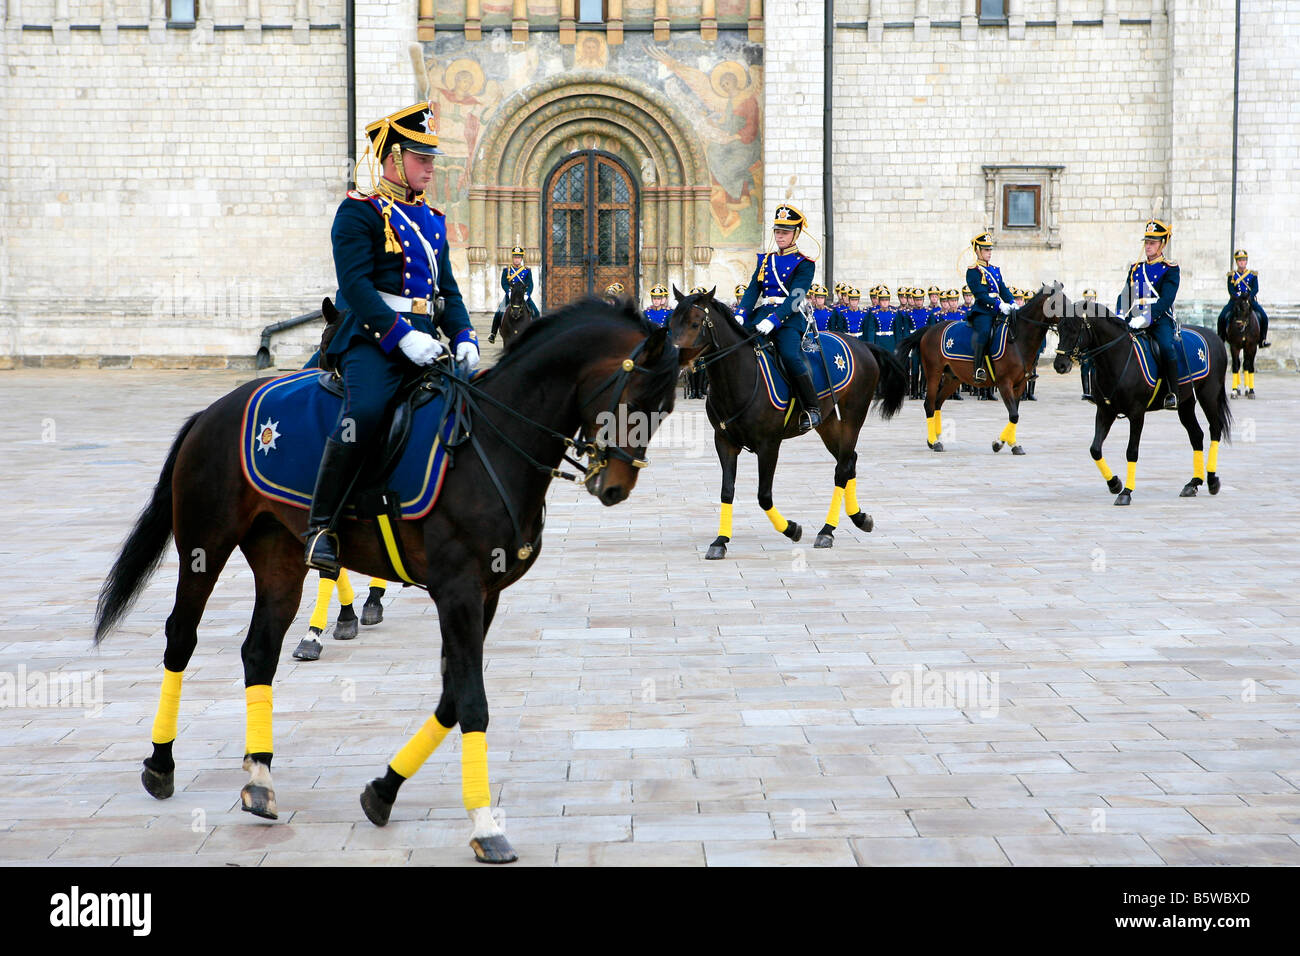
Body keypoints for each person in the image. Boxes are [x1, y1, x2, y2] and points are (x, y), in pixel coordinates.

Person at [305, 101, 480, 573]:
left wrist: (464, 335)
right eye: (421, 158)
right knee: (362, 413)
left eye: (431, 159)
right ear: (393, 158)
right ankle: (322, 526)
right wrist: (400, 336)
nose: (429, 167)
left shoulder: (432, 219)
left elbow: (448, 290)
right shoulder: (358, 212)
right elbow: (356, 287)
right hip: (371, 340)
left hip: (429, 339)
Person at [736, 203, 822, 432]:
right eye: (777, 231)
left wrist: (774, 320)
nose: (780, 236)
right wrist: (741, 314)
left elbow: (795, 299)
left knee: (790, 355)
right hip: (761, 314)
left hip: (788, 318)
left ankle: (811, 408)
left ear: (796, 233)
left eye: (785, 232)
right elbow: (753, 289)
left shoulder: (804, 264)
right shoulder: (766, 260)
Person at [1119, 219, 1180, 410]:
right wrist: (1120, 314)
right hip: (1134, 315)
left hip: (1158, 318)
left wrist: (1147, 317)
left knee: (1165, 347)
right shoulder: (1136, 268)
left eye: (1152, 243)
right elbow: (1126, 294)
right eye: (1146, 242)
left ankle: (1172, 392)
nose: (1148, 246)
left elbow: (1166, 300)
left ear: (1162, 245)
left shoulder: (1170, 269)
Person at [964, 233, 1013, 387]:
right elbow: (980, 294)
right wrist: (999, 305)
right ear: (978, 251)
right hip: (983, 310)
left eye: (990, 250)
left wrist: (1012, 302)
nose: (989, 253)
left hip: (999, 309)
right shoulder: (973, 271)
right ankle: (978, 368)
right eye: (986, 250)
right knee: (984, 332)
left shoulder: (995, 269)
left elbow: (1003, 289)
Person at [1217, 249, 1269, 347]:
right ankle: (1221, 338)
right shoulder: (1232, 275)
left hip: (1249, 300)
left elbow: (1255, 288)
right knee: (1222, 317)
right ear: (1237, 262)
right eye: (1239, 260)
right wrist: (1238, 297)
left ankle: (1262, 339)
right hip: (1236, 301)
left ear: (1246, 261)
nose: (1242, 262)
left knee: (1264, 317)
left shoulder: (1252, 275)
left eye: (1244, 260)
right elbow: (1231, 289)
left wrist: (1249, 297)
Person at [488, 246, 539, 343]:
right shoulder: (506, 270)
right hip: (510, 296)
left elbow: (531, 284)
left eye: (519, 257)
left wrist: (527, 294)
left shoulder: (527, 271)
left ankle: (538, 333)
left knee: (536, 312)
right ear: (513, 258)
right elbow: (504, 283)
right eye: (515, 257)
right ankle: (493, 334)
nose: (517, 259)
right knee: (499, 312)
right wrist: (509, 292)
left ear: (521, 258)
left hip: (523, 296)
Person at [1079, 288, 1098, 402]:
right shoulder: (1081, 312)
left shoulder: (1099, 311)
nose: (1090, 300)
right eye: (1087, 298)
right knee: (1085, 367)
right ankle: (1086, 392)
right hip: (1086, 344)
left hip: (1096, 344)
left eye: (1092, 298)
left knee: (1095, 368)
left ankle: (1094, 391)